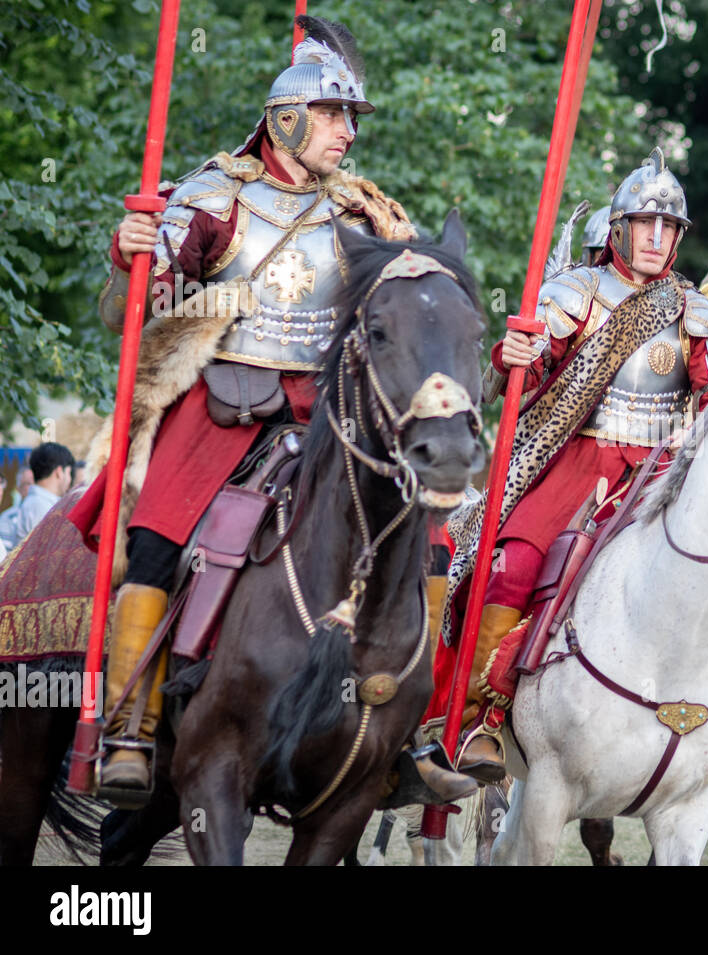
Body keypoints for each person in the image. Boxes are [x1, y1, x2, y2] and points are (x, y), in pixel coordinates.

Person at [65, 16, 449, 801]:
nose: (347, 133)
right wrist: (134, 255)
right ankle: (132, 722)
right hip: (220, 402)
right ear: (288, 119)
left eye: (349, 119)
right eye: (336, 115)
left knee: (422, 536)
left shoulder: (365, 214)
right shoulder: (211, 199)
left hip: (329, 410)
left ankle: (410, 732)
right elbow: (131, 313)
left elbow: (413, 305)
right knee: (156, 538)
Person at [445, 147, 708, 809]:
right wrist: (515, 359)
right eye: (644, 225)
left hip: (661, 472)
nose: (657, 239)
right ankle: (484, 716)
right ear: (620, 230)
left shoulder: (695, 313)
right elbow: (524, 382)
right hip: (577, 462)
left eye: (668, 228)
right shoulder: (575, 294)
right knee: (513, 563)